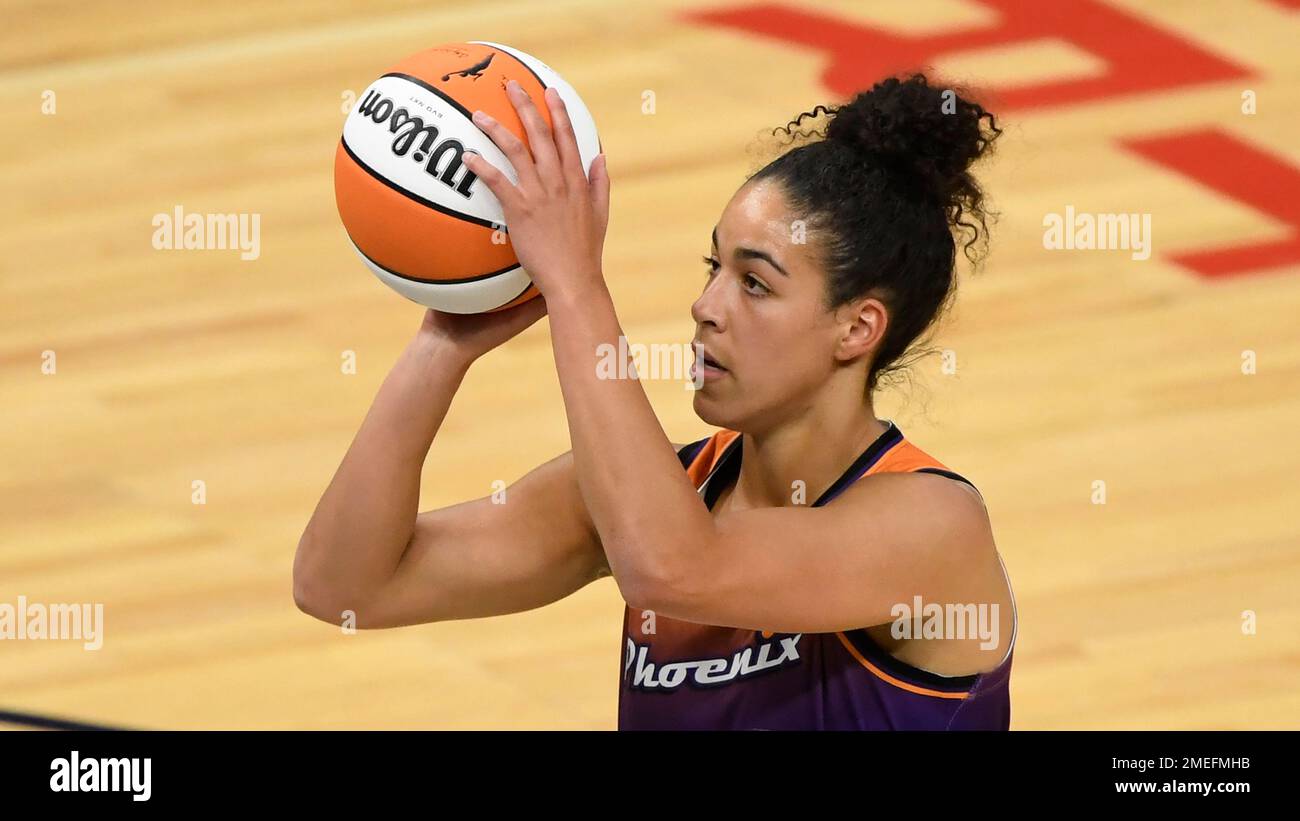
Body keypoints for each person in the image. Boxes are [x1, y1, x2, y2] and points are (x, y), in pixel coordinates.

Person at [294, 73, 1015, 730]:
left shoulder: (933, 527)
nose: (706, 307)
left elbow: (673, 569)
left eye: (755, 284)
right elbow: (344, 585)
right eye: (714, 268)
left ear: (856, 327)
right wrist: (443, 344)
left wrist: (575, 284)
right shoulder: (656, 496)